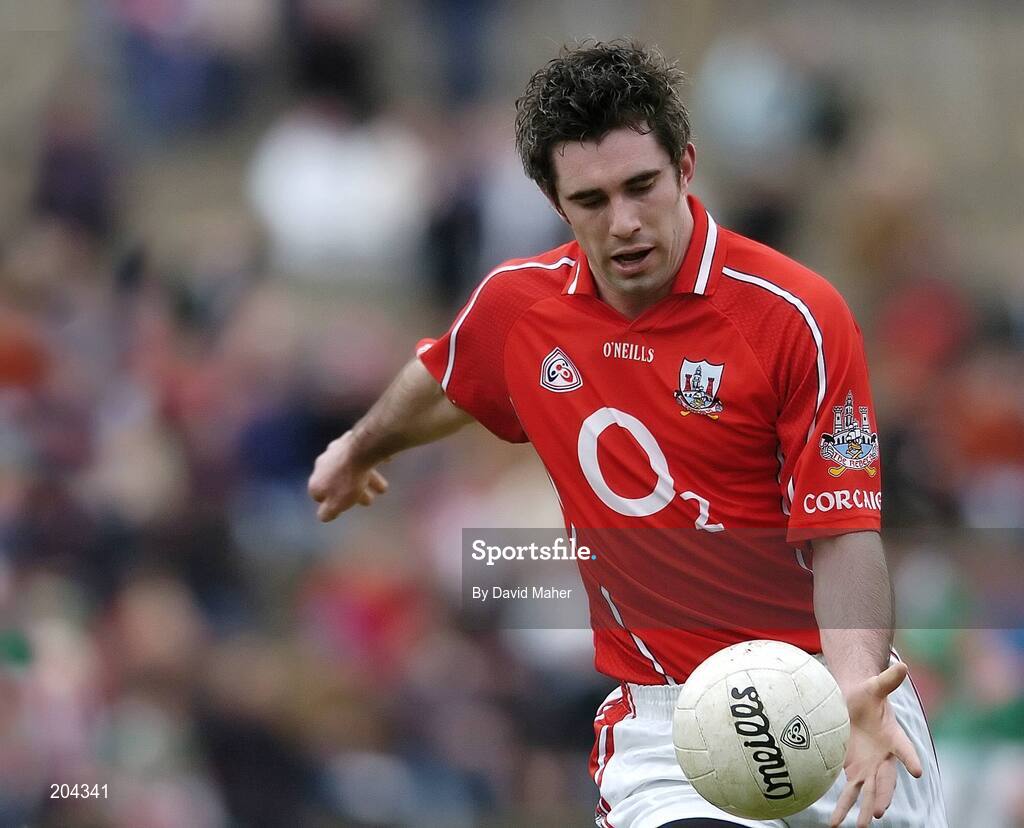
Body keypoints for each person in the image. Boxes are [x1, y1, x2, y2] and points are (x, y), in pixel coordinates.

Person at [308, 41, 946, 828]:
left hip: (832, 690)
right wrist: (360, 447)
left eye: (642, 186)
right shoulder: (520, 309)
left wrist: (851, 684)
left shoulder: (794, 316)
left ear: (686, 166)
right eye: (593, 200)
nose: (625, 222)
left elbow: (844, 529)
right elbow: (447, 380)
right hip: (671, 723)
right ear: (555, 202)